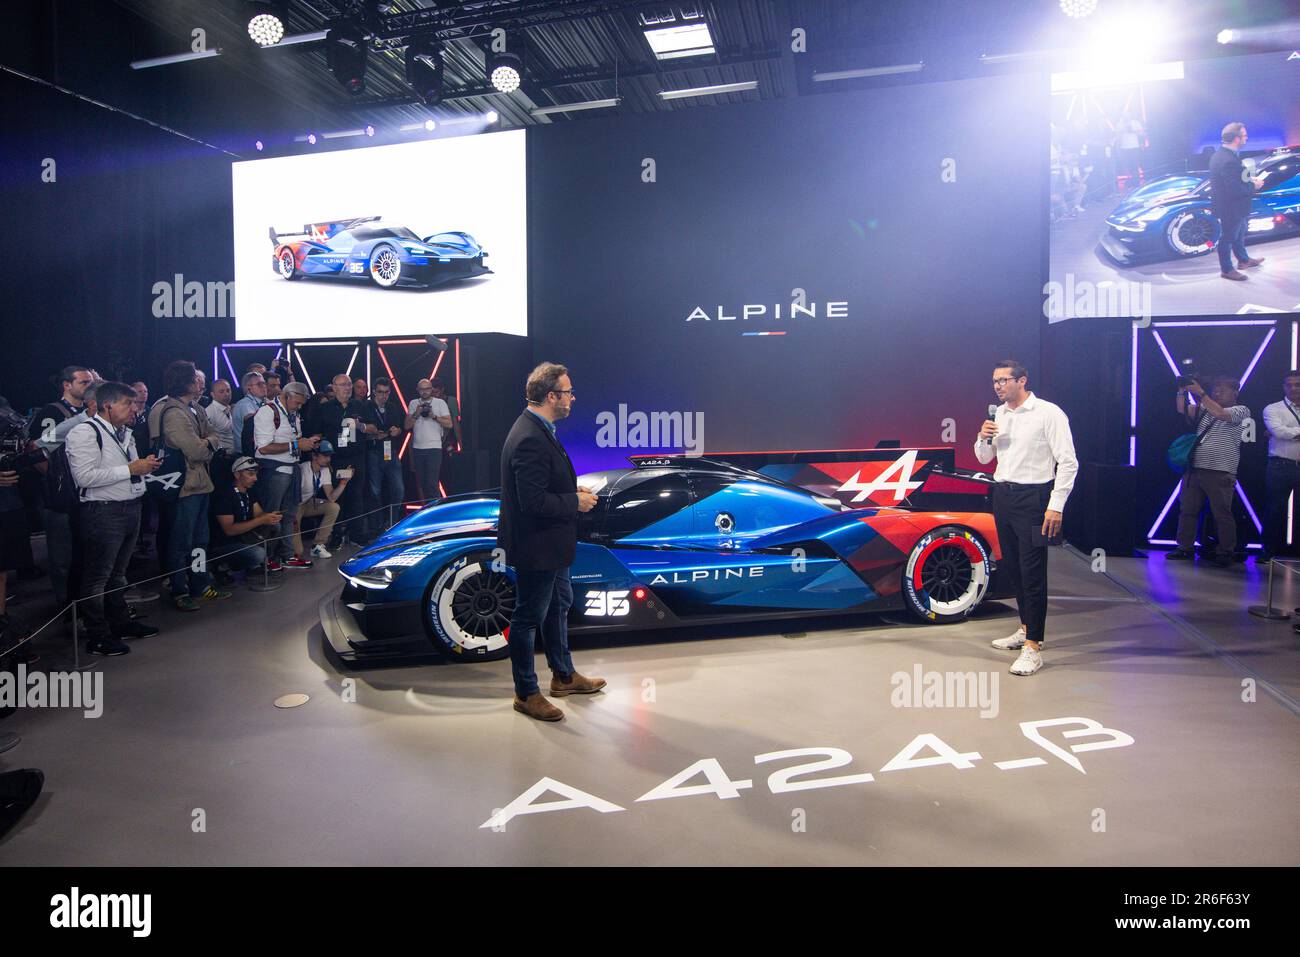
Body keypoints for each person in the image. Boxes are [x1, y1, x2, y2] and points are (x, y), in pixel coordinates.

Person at [498, 362, 603, 721]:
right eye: (568, 392)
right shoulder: (529, 437)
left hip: (551, 542)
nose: (572, 398)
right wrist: (574, 502)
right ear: (551, 396)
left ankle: (564, 676)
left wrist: (568, 489)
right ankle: (526, 692)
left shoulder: (539, 429)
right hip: (537, 544)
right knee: (528, 617)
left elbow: (541, 486)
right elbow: (532, 503)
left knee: (559, 604)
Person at [975, 360, 1078, 677]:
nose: (997, 386)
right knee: (1014, 567)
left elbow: (1069, 462)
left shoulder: (1048, 413)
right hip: (1003, 496)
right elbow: (984, 458)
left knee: (1033, 570)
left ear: (1022, 381)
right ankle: (1025, 627)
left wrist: (1055, 504)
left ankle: (1034, 645)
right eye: (994, 381)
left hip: (1035, 500)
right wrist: (982, 436)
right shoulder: (1000, 414)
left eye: (1003, 380)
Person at [65, 381, 162, 656]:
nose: (134, 409)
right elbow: (84, 477)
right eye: (127, 404)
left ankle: (119, 623)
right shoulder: (84, 432)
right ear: (108, 405)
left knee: (118, 574)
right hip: (103, 511)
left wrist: (142, 470)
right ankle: (97, 635)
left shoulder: (124, 433)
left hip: (130, 506)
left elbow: (125, 470)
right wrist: (131, 468)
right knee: (98, 577)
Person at [158, 361, 230, 611]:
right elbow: (196, 450)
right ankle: (179, 589)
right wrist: (208, 443)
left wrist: (207, 442)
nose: (200, 383)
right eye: (195, 379)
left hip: (202, 484)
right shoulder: (174, 412)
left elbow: (213, 437)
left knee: (201, 540)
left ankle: (200, 584)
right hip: (184, 487)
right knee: (181, 542)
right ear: (185, 382)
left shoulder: (196, 408)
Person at [27, 365, 93, 611]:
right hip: (61, 498)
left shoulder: (89, 411)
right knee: (62, 555)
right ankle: (66, 605)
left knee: (88, 552)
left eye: (90, 383)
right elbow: (35, 451)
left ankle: (88, 602)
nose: (88, 387)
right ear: (67, 384)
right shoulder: (52, 412)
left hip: (87, 492)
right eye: (83, 382)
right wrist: (57, 479)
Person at [1168, 377, 1250, 566]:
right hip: (1195, 466)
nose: (1217, 392)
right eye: (1215, 389)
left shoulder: (1241, 410)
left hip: (1220, 470)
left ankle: (1226, 550)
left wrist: (1201, 393)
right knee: (1187, 509)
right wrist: (1182, 391)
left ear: (1235, 393)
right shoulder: (1206, 407)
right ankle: (1184, 547)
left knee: (1221, 512)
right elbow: (1183, 410)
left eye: (1223, 389)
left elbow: (1221, 414)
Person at [254, 380, 319, 571]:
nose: (299, 407)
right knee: (271, 514)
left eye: (301, 404)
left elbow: (293, 439)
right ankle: (265, 558)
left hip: (292, 467)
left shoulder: (293, 413)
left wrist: (304, 442)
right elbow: (263, 448)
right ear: (286, 395)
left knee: (289, 514)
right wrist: (297, 445)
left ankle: (287, 555)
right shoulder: (267, 412)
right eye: (297, 402)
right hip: (275, 470)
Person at [306, 374, 365, 547]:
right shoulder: (326, 408)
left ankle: (357, 534)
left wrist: (360, 425)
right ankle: (336, 534)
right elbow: (316, 432)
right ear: (334, 387)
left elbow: (373, 427)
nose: (347, 388)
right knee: (337, 497)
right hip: (336, 459)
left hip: (357, 457)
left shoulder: (360, 406)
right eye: (343, 385)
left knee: (357, 496)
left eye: (349, 384)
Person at [1209, 122, 1267, 281]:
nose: (1246, 138)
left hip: (1233, 206)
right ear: (1236, 138)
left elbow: (1233, 180)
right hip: (1231, 207)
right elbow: (1234, 189)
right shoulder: (1228, 159)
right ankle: (1227, 269)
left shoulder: (1222, 154)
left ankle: (1243, 260)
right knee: (1228, 238)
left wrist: (1249, 179)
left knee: (1239, 233)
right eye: (1244, 135)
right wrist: (1253, 185)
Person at [210, 456, 280, 577]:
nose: (255, 478)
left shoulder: (249, 492)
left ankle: (258, 564)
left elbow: (259, 514)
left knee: (275, 525)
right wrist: (261, 520)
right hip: (225, 544)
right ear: (237, 475)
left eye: (256, 474)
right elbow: (229, 530)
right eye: (251, 474)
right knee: (258, 554)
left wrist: (269, 517)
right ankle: (223, 566)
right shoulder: (225, 495)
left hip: (245, 538)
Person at [1261, 371, 1300, 561]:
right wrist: (1281, 433)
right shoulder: (1273, 408)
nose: (1293, 388)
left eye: (1297, 384)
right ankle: (1268, 551)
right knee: (1274, 509)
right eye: (1289, 385)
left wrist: (1289, 432)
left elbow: (1283, 432)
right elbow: (1278, 431)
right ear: (1284, 387)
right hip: (1280, 465)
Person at [360, 377, 406, 537]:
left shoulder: (393, 407)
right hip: (373, 452)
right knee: (374, 491)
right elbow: (355, 431)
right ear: (373, 392)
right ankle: (376, 527)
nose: (383, 396)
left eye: (386, 392)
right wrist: (372, 435)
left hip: (390, 450)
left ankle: (392, 523)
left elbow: (401, 428)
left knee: (398, 489)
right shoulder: (366, 407)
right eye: (380, 392)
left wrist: (398, 431)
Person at [293, 442, 348, 560]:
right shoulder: (303, 469)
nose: (328, 459)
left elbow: (332, 497)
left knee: (333, 507)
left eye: (329, 456)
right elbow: (292, 496)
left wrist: (343, 483)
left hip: (308, 502)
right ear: (314, 456)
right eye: (325, 455)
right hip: (295, 505)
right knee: (298, 551)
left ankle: (318, 545)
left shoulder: (325, 470)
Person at [405, 378, 451, 504]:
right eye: (422, 389)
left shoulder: (440, 403)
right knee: (422, 483)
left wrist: (434, 416)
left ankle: (435, 511)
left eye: (427, 389)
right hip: (417, 448)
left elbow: (449, 423)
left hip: (434, 448)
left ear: (431, 389)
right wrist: (416, 413)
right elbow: (407, 426)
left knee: (432, 483)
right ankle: (425, 509)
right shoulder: (413, 403)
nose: (424, 392)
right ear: (417, 390)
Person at [231, 371, 267, 449]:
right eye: (259, 384)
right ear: (248, 388)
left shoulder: (264, 402)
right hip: (246, 454)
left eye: (264, 383)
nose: (264, 386)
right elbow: (255, 425)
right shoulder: (245, 404)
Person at [205, 379, 236, 453]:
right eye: (221, 391)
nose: (226, 394)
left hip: (234, 454)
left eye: (228, 390)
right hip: (220, 457)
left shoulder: (230, 408)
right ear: (212, 394)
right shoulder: (209, 412)